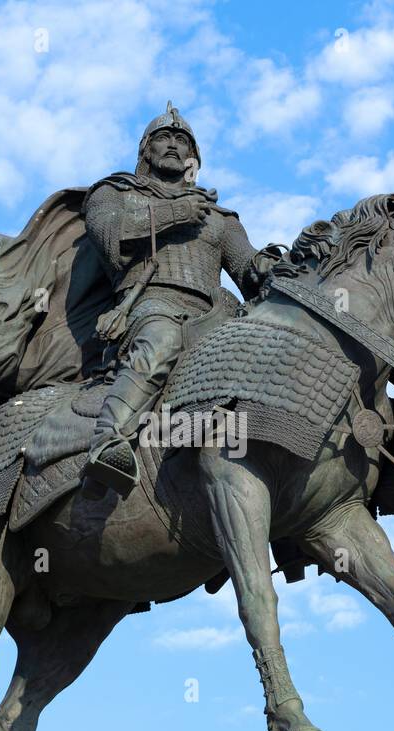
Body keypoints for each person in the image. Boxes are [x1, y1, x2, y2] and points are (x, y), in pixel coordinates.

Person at [80, 101, 276, 498]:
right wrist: (177, 212)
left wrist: (271, 265)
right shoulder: (114, 193)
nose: (173, 144)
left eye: (182, 140)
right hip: (151, 305)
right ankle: (107, 441)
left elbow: (248, 271)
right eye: (164, 137)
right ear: (146, 149)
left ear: (192, 156)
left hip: (217, 317)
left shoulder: (219, 217)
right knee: (161, 342)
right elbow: (110, 238)